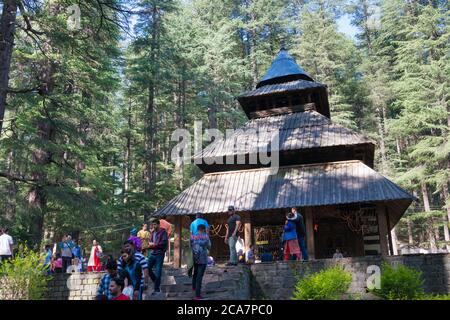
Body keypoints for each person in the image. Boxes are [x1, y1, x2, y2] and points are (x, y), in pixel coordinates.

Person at [148, 219, 168, 295]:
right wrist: (149, 245)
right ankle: (156, 281)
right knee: (147, 268)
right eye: (153, 224)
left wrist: (154, 245)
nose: (154, 226)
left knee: (158, 272)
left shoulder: (163, 232)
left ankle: (157, 289)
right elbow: (150, 241)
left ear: (159, 225)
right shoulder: (152, 233)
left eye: (155, 224)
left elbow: (164, 242)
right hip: (152, 253)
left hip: (159, 254)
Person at [190, 224, 211, 300]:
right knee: (199, 277)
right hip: (202, 259)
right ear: (203, 229)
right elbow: (209, 246)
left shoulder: (192, 236)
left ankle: (193, 288)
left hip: (195, 258)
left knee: (195, 273)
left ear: (198, 229)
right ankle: (197, 295)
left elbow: (190, 246)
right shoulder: (205, 236)